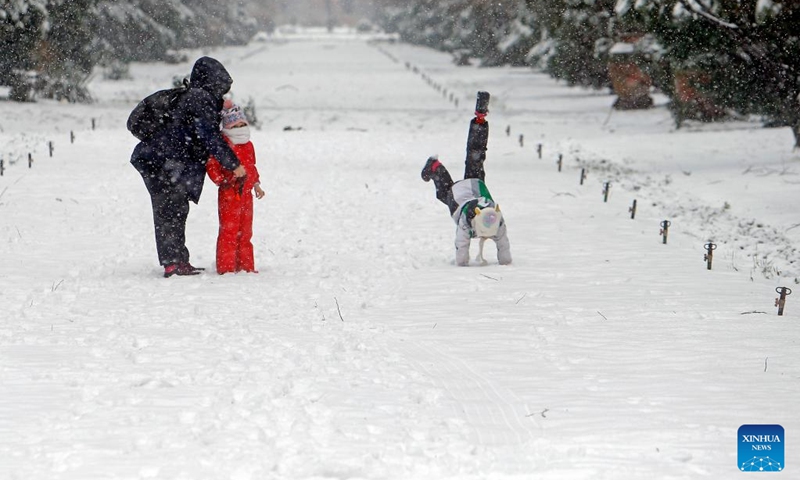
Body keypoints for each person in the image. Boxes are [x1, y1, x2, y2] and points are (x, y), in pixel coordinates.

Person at [130, 56, 246, 278]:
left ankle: (179, 260)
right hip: (163, 163)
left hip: (165, 162)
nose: (222, 92)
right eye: (221, 86)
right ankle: (173, 263)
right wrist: (233, 164)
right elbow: (209, 136)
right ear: (212, 80)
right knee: (169, 212)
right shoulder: (199, 98)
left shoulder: (195, 97)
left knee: (176, 210)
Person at [421, 92, 511, 266]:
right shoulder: (471, 222)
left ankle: (480, 119)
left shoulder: (497, 221)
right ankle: (436, 168)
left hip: (477, 187)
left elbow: (502, 244)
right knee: (445, 192)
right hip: (461, 198)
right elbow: (464, 247)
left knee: (476, 157)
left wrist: (505, 261)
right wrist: (462, 264)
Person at [206, 100, 265, 274]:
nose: (239, 128)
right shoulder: (223, 146)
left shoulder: (248, 145)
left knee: (245, 231)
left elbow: (251, 166)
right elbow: (212, 166)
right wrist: (223, 182)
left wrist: (256, 184)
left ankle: (246, 266)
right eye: (235, 125)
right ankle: (226, 267)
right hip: (229, 194)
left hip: (246, 194)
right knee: (229, 232)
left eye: (242, 124)